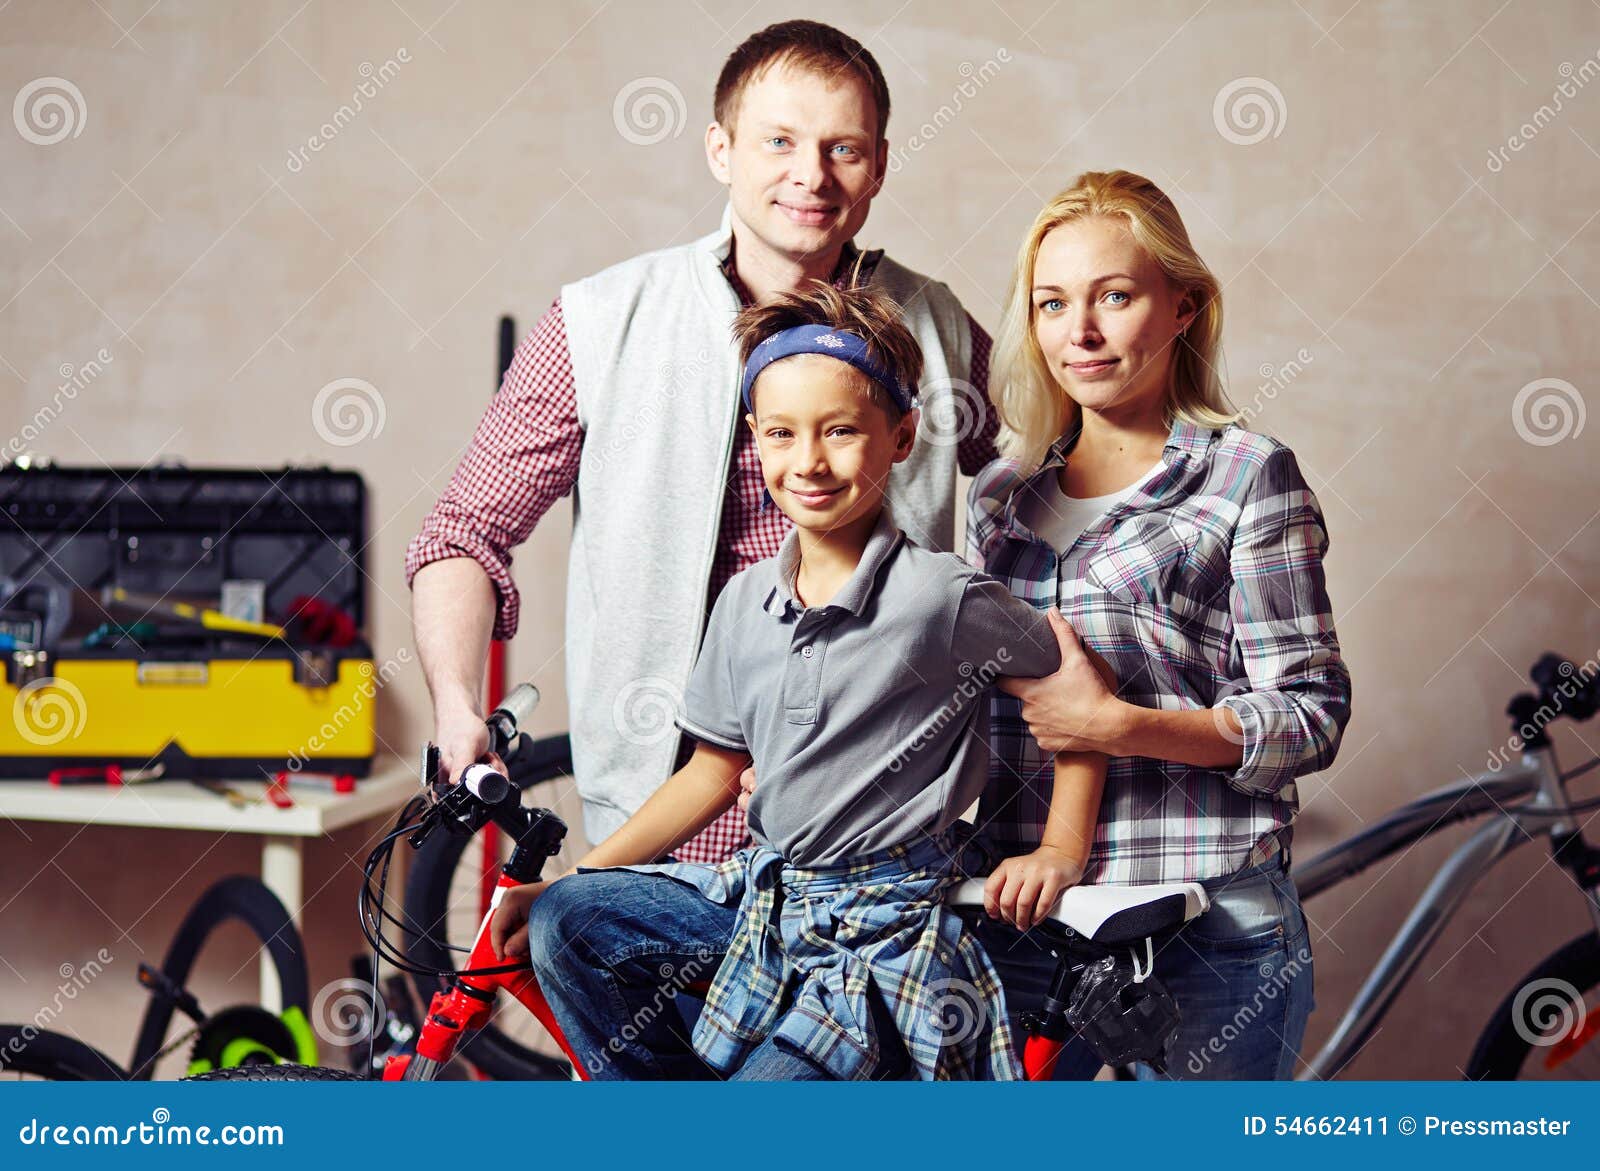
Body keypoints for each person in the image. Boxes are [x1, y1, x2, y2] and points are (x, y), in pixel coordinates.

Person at [405, 20, 1001, 866]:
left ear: (880, 164)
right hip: (665, 807)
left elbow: (1059, 488)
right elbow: (463, 535)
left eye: (844, 149)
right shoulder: (601, 320)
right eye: (781, 142)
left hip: (872, 816)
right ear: (721, 149)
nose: (811, 175)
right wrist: (460, 708)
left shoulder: (935, 324)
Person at [491, 282, 1111, 1081]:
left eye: (842, 430)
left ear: (902, 435)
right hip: (767, 900)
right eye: (782, 433)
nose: (808, 461)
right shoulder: (745, 600)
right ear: (755, 439)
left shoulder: (940, 597)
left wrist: (1062, 846)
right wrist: (565, 883)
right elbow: (712, 772)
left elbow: (1073, 697)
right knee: (572, 919)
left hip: (883, 934)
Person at [965, 169, 1352, 1079]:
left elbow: (1309, 713)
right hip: (1027, 919)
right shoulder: (997, 498)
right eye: (1052, 304)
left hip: (1208, 929)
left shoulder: (1247, 476)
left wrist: (1121, 727)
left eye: (1115, 296)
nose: (1081, 332)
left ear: (1183, 306)